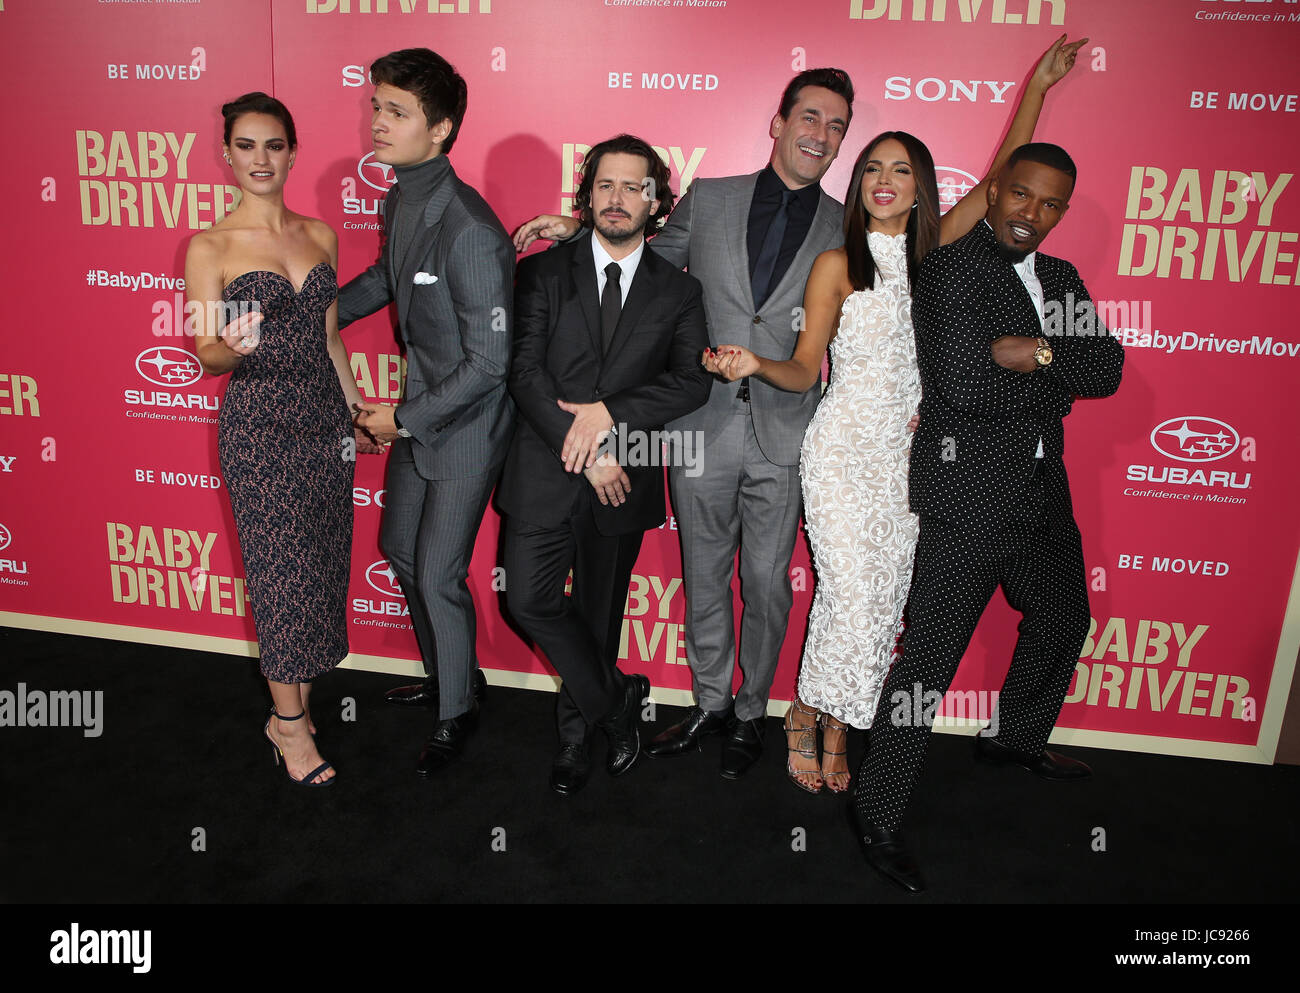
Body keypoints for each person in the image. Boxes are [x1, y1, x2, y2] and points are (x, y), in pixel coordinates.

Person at [705, 37, 1087, 795]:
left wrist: (1038, 89)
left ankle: (829, 719)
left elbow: (1002, 171)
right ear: (859, 183)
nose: (883, 180)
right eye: (871, 167)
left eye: (900, 170)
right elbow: (804, 366)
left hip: (913, 460)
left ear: (921, 189)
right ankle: (812, 715)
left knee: (883, 603)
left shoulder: (934, 258)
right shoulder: (837, 263)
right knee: (848, 593)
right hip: (844, 448)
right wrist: (754, 363)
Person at [515, 67, 856, 780]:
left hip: (786, 423)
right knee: (705, 574)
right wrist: (577, 228)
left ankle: (750, 709)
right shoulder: (714, 196)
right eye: (810, 118)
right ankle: (708, 700)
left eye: (835, 126)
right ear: (780, 121)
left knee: (765, 582)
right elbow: (643, 262)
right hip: (699, 422)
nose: (820, 135)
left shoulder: (843, 225)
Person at [849, 141, 1124, 893]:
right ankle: (875, 811)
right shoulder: (949, 271)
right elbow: (966, 386)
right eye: (1022, 194)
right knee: (926, 670)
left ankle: (1014, 738)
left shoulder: (1060, 278)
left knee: (1065, 617)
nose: (1031, 213)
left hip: (1041, 487)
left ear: (1061, 211)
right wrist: (1055, 375)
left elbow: (1106, 367)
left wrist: (1034, 354)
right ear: (996, 188)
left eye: (1050, 204)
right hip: (965, 494)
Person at [498, 135, 711, 795]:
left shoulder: (678, 291)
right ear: (588, 194)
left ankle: (575, 740)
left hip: (627, 475)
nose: (617, 200)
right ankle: (616, 699)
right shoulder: (541, 271)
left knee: (597, 616)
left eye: (633, 187)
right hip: (547, 467)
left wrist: (609, 414)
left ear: (657, 201)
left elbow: (690, 384)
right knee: (525, 599)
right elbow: (524, 374)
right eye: (606, 186)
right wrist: (586, 448)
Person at [188, 92, 375, 787]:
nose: (260, 159)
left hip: (324, 425)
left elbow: (329, 338)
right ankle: (289, 727)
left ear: (292, 153)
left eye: (273, 145)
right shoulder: (209, 246)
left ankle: (295, 704)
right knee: (279, 576)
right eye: (246, 146)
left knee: (319, 567)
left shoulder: (321, 234)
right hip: (259, 425)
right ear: (227, 153)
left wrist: (356, 409)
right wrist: (231, 347)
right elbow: (205, 352)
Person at [337, 48, 515, 776]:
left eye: (397, 112)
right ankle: (452, 674)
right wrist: (320, 312)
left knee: (438, 571)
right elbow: (386, 274)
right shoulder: (402, 195)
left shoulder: (469, 228)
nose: (378, 121)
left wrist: (404, 421)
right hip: (419, 412)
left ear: (439, 130)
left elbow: (491, 362)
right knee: (402, 553)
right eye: (376, 105)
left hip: (464, 425)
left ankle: (458, 711)